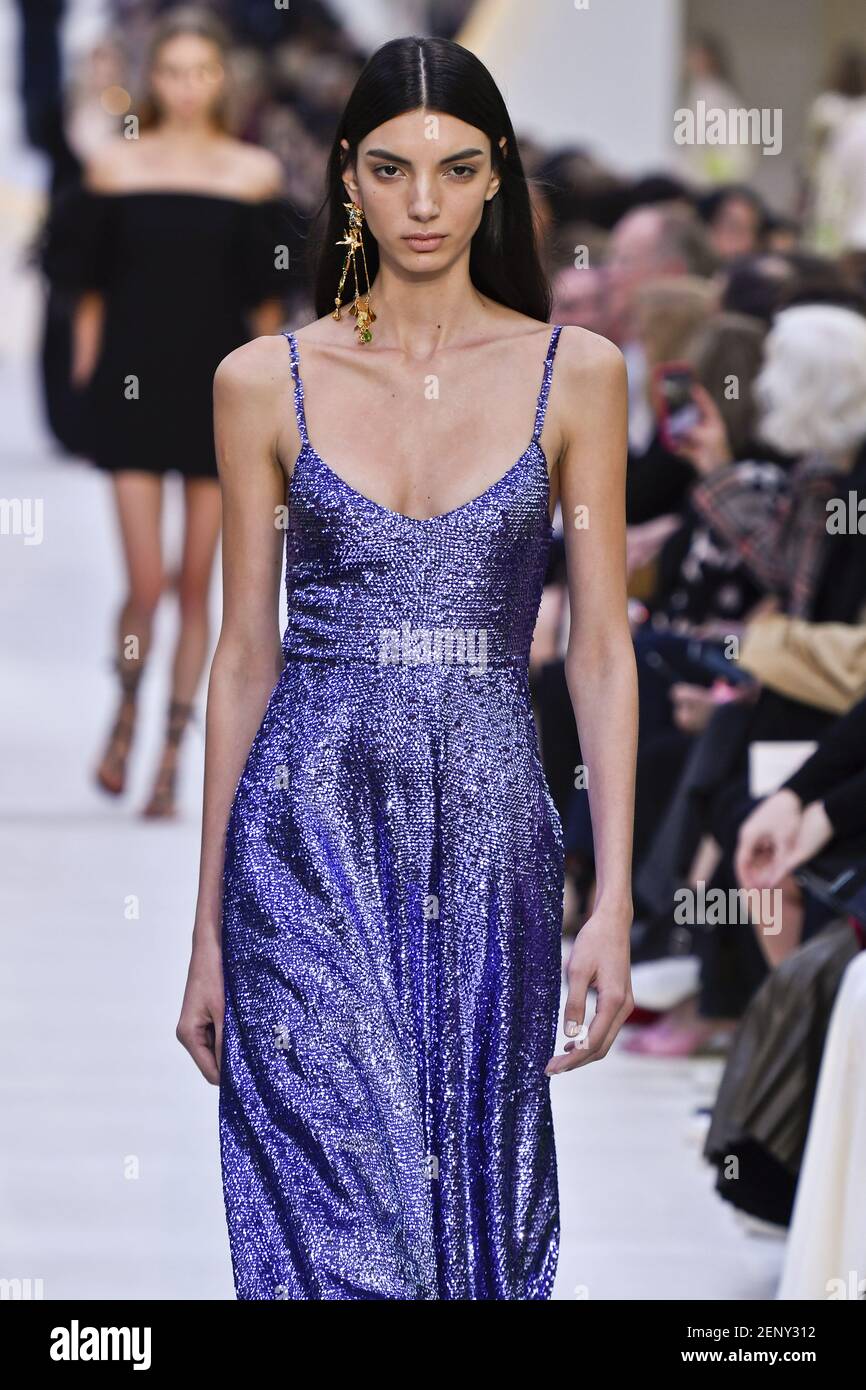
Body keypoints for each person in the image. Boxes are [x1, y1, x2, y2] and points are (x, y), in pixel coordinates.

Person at [176, 35, 637, 1301]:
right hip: (303, 829)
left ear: (497, 181)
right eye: (390, 169)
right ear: (345, 180)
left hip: (492, 832)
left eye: (454, 169)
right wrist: (207, 929)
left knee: (472, 1220)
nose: (422, 203)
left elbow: (600, 646)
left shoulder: (578, 377)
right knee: (329, 1212)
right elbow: (241, 659)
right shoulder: (260, 382)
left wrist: (612, 902)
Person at [41, 6, 291, 816]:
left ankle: (173, 755)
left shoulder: (252, 174)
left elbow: (262, 300)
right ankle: (124, 712)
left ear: (224, 81)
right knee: (145, 583)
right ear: (156, 78)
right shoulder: (116, 167)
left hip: (216, 391)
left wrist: (267, 391)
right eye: (174, 71)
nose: (187, 87)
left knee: (194, 586)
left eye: (202, 72)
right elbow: (87, 281)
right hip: (132, 384)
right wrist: (86, 367)